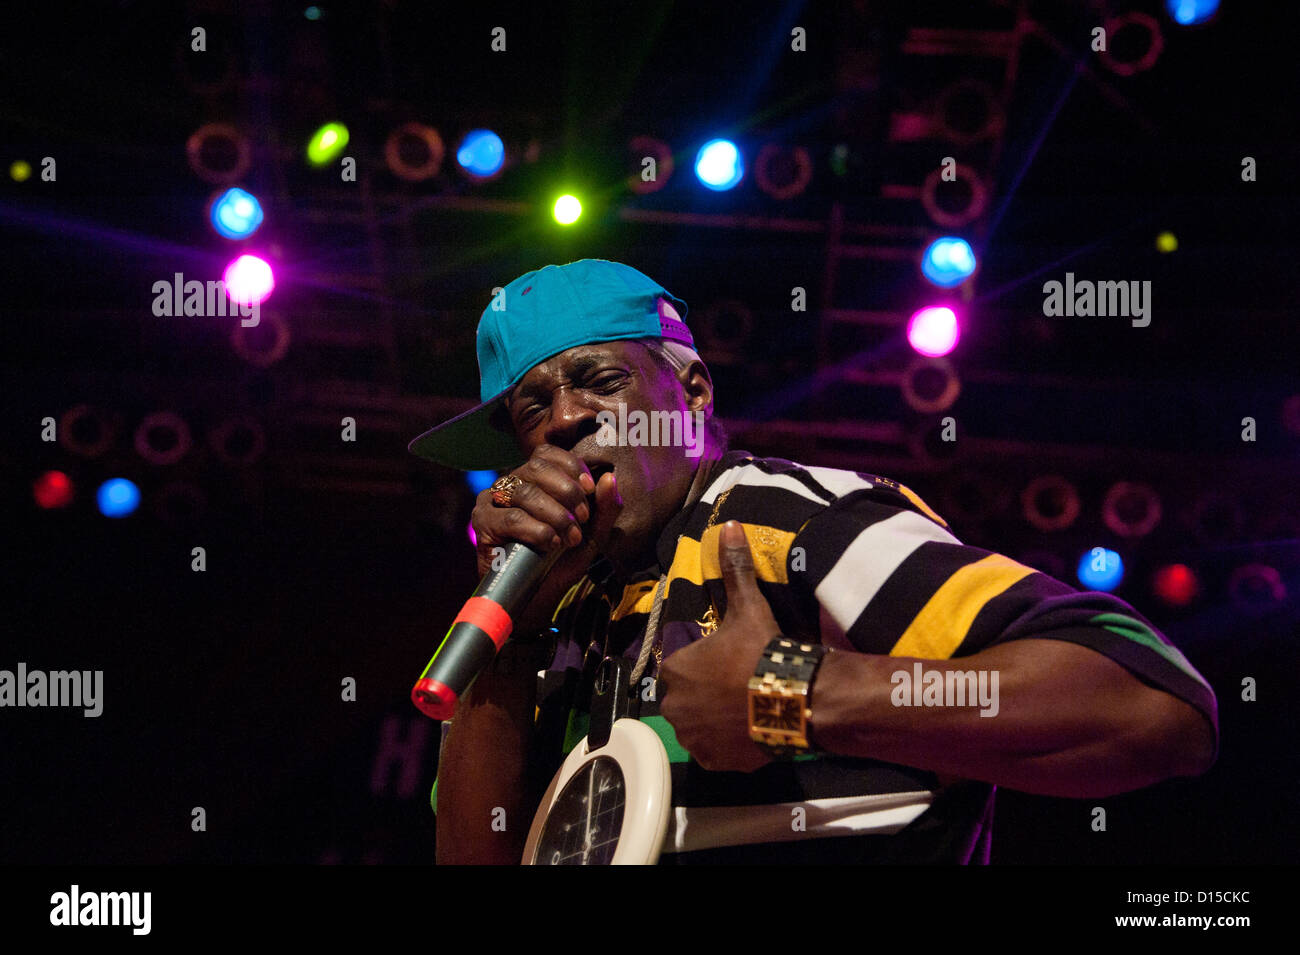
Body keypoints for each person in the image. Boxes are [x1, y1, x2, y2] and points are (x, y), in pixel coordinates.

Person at [409, 258, 1219, 865]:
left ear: (692, 392)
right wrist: (509, 626)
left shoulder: (780, 519)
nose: (566, 419)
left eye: (599, 380)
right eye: (532, 407)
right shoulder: (555, 617)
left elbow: (1148, 700)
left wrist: (792, 692)